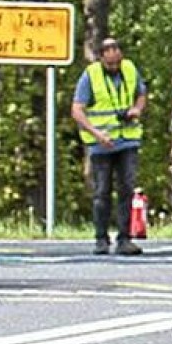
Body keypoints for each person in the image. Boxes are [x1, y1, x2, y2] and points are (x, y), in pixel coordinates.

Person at [71, 37, 147, 255]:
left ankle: (125, 239)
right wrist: (96, 134)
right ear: (101, 58)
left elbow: (141, 94)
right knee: (102, 191)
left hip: (127, 140)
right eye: (109, 63)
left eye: (117, 61)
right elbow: (77, 110)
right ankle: (101, 239)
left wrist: (137, 109)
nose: (114, 66)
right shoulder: (91, 76)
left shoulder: (130, 69)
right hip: (101, 144)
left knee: (127, 189)